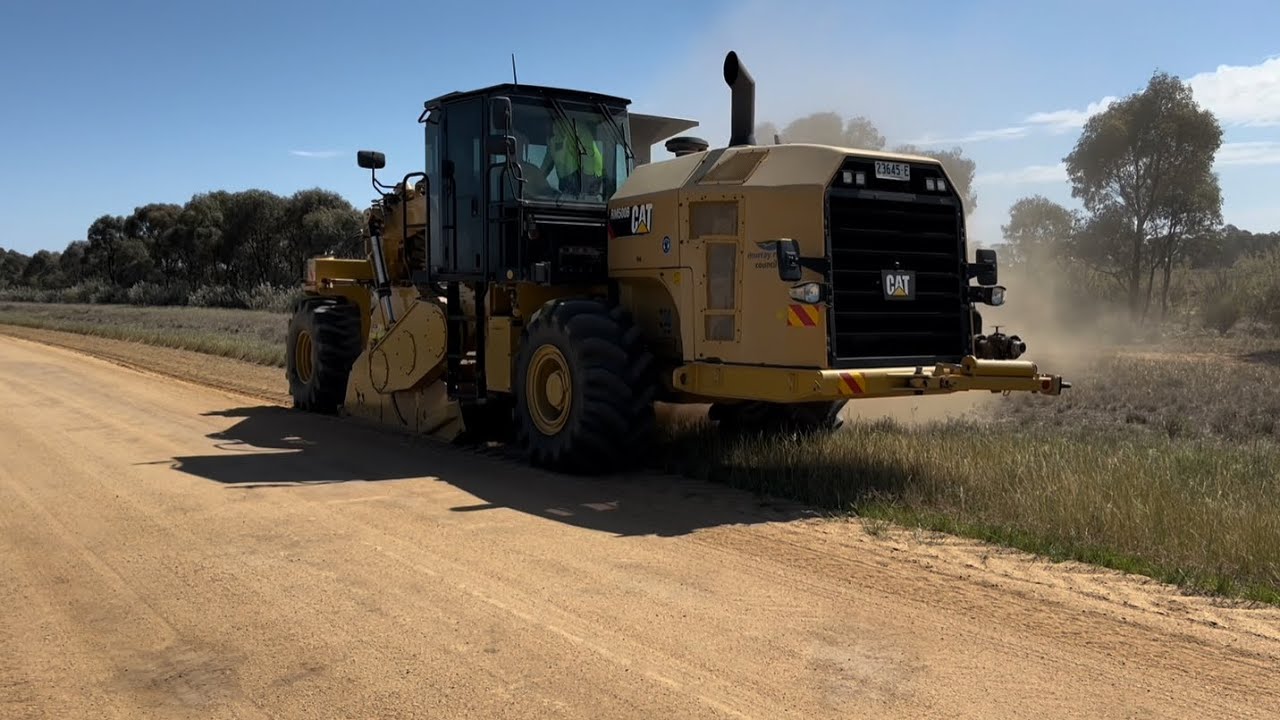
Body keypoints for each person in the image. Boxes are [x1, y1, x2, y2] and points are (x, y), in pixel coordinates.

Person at [540, 116, 603, 196]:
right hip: (567, 180)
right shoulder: (552, 138)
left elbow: (588, 154)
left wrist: (585, 186)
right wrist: (537, 179)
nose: (543, 129)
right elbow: (548, 162)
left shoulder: (574, 127)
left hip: (590, 176)